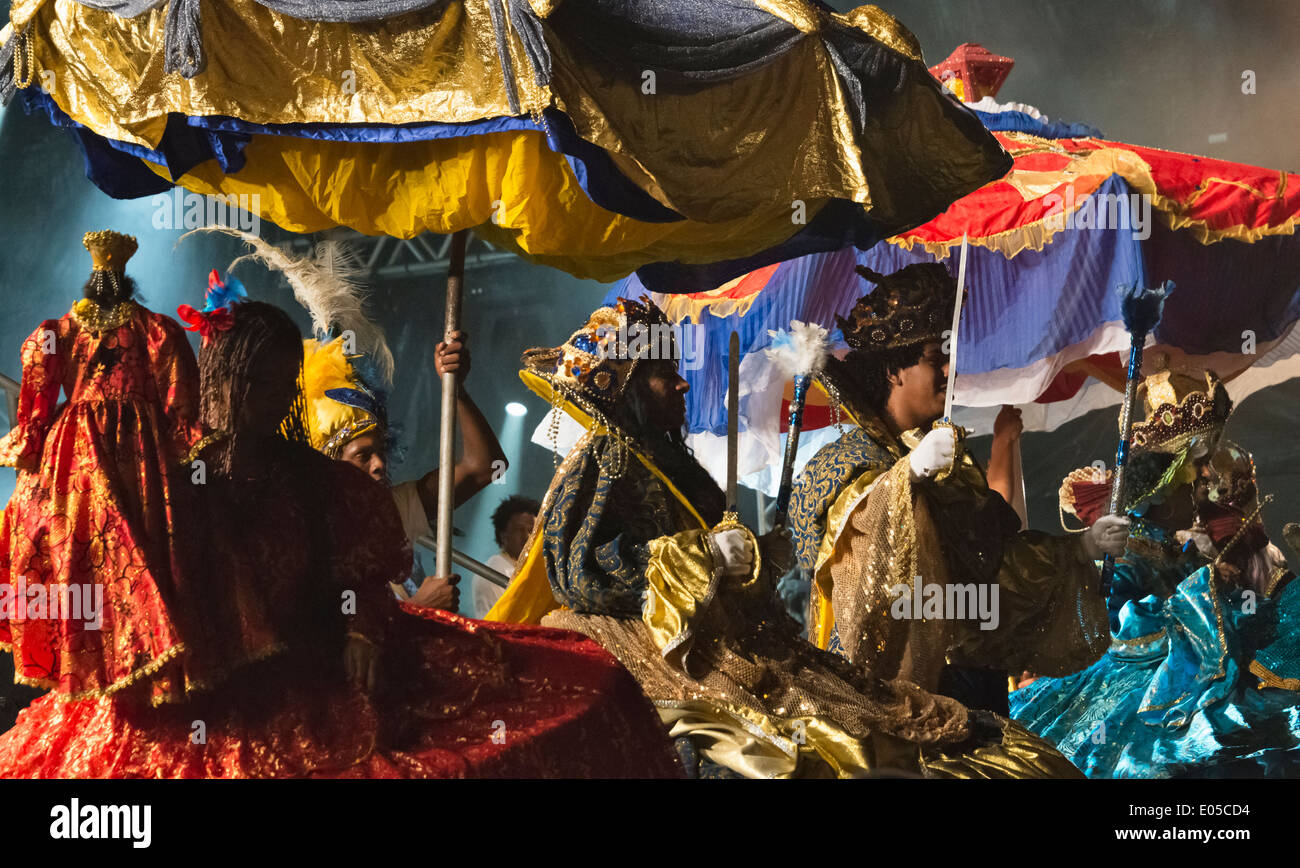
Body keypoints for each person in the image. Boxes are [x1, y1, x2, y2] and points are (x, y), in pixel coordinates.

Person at [0, 279, 684, 777]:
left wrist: (361, 625)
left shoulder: (323, 485)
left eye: (274, 382)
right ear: (212, 380)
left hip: (310, 673)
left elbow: (356, 579)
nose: (256, 398)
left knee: (558, 694)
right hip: (201, 697)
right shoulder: (174, 486)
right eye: (244, 381)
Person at [487, 296, 1083, 778]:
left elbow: (993, 543)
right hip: (663, 647)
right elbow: (580, 574)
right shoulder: (602, 460)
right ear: (628, 383)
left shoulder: (677, 463)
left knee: (893, 728)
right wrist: (702, 557)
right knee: (799, 747)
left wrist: (755, 557)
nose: (684, 387)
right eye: (667, 376)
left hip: (753, 637)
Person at [787, 264, 1123, 713]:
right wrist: (903, 482)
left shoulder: (954, 463)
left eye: (948, 356)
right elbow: (851, 568)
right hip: (893, 704)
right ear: (894, 371)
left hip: (977, 689)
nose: (949, 370)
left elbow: (995, 566)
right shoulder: (845, 463)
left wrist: (1078, 549)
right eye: (934, 358)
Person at [1011, 373, 1300, 777]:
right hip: (1134, 695)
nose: (1202, 495)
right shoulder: (1124, 552)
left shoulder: (1177, 545)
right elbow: (1109, 633)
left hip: (1194, 668)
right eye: (1192, 486)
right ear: (1162, 495)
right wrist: (1205, 587)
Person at [0, 230, 201, 701]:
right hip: (84, 455)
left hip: (130, 453)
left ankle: (136, 665)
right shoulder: (66, 331)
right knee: (87, 553)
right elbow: (38, 399)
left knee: (132, 549)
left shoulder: (153, 330)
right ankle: (95, 670)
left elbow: (180, 405)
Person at [303, 329, 506, 613]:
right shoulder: (303, 533)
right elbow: (325, 635)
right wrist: (420, 608)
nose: (379, 464)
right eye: (363, 456)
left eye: (380, 452)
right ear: (327, 468)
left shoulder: (390, 509)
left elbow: (486, 468)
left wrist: (456, 389)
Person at [474, 494, 539, 618]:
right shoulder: (494, 570)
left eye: (531, 530)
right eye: (519, 530)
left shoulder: (527, 566)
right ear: (503, 535)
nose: (527, 537)